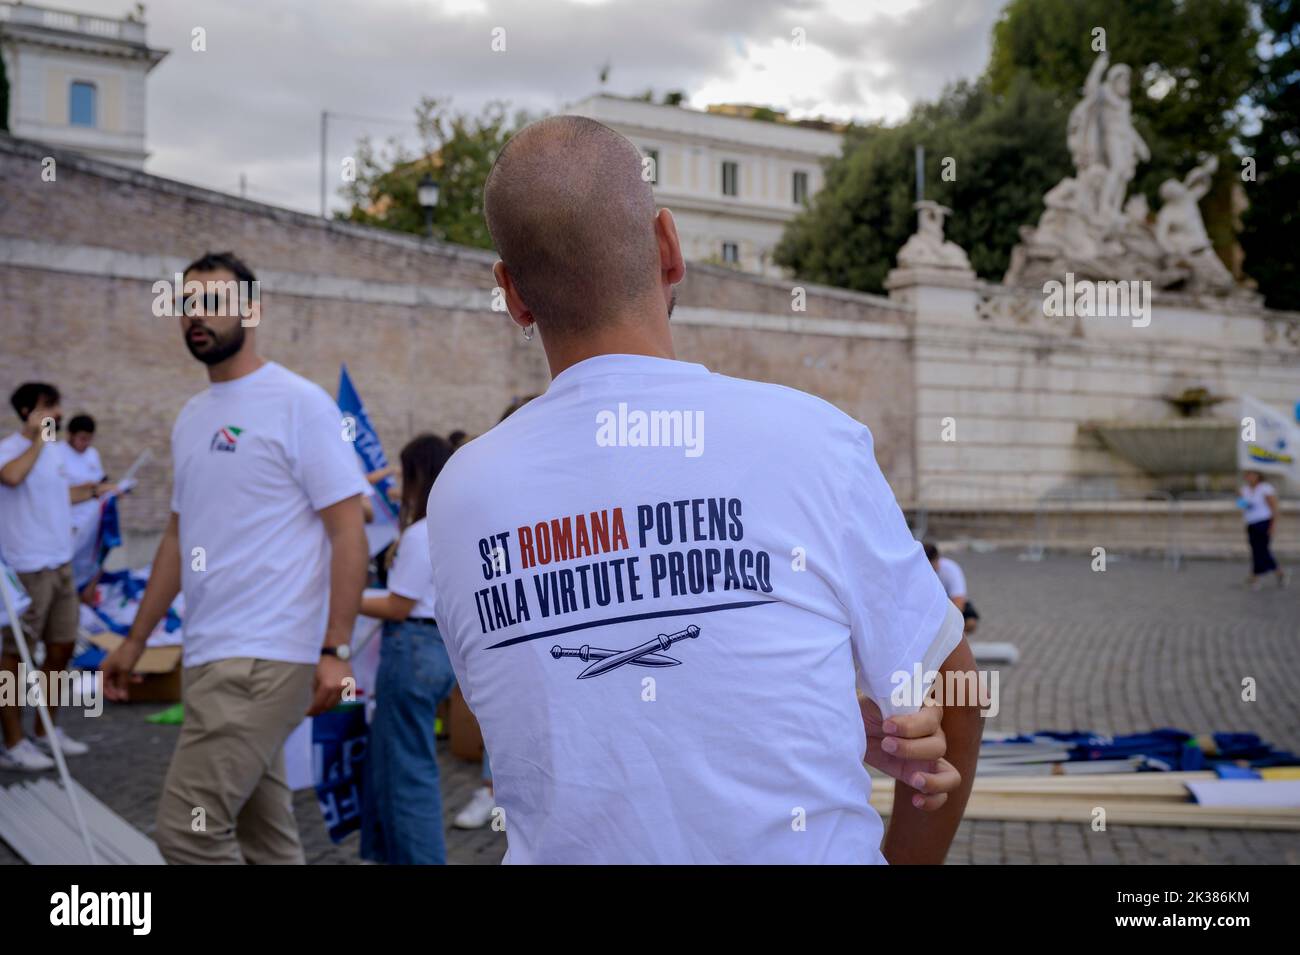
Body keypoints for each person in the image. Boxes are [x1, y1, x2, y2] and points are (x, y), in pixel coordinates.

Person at [425, 116, 981, 864]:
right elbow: (954, 689)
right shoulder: (811, 441)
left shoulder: (462, 493)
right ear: (669, 246)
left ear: (513, 295)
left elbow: (509, 720)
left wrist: (808, 714)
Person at [103, 251, 369, 864]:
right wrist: (134, 642)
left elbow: (348, 531)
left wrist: (335, 649)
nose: (198, 316)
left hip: (264, 658)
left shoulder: (297, 404)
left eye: (214, 302)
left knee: (189, 834)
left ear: (251, 311)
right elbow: (176, 539)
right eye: (188, 303)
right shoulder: (193, 417)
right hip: (208, 653)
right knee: (266, 839)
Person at [358, 433, 456, 864]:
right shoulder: (451, 525)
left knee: (406, 774)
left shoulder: (421, 532)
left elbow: (398, 605)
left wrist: (338, 594)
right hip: (432, 649)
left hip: (412, 648)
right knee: (391, 765)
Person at [0, 383, 98, 769]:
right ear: (26, 411)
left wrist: (94, 492)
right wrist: (38, 440)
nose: (56, 414)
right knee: (13, 657)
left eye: (57, 406)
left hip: (61, 565)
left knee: (60, 648)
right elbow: (11, 477)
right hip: (27, 566)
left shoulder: (55, 453)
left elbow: (58, 497)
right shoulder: (11, 449)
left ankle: (45, 731)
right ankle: (13, 741)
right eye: (47, 407)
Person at [60, 414, 115, 598]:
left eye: (89, 439)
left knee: (93, 567)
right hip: (70, 525)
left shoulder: (92, 454)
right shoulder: (57, 454)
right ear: (70, 434)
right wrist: (92, 489)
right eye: (82, 438)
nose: (86, 443)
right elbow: (58, 493)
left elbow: (99, 482)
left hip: (93, 523)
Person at [1239, 470, 1288, 591]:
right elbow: (1241, 505)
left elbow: (1274, 507)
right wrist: (1241, 501)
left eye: (1252, 474)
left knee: (1262, 550)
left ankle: (1256, 577)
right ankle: (1277, 573)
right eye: (1248, 475)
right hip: (1251, 522)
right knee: (1256, 550)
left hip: (1263, 522)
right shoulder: (1244, 489)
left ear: (1258, 476)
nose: (1250, 477)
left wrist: (1273, 525)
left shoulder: (1265, 488)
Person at [924, 541, 979, 635]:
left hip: (948, 607)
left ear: (937, 559)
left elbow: (959, 603)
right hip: (928, 607)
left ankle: (956, 639)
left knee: (971, 622)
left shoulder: (950, 569)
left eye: (931, 566)